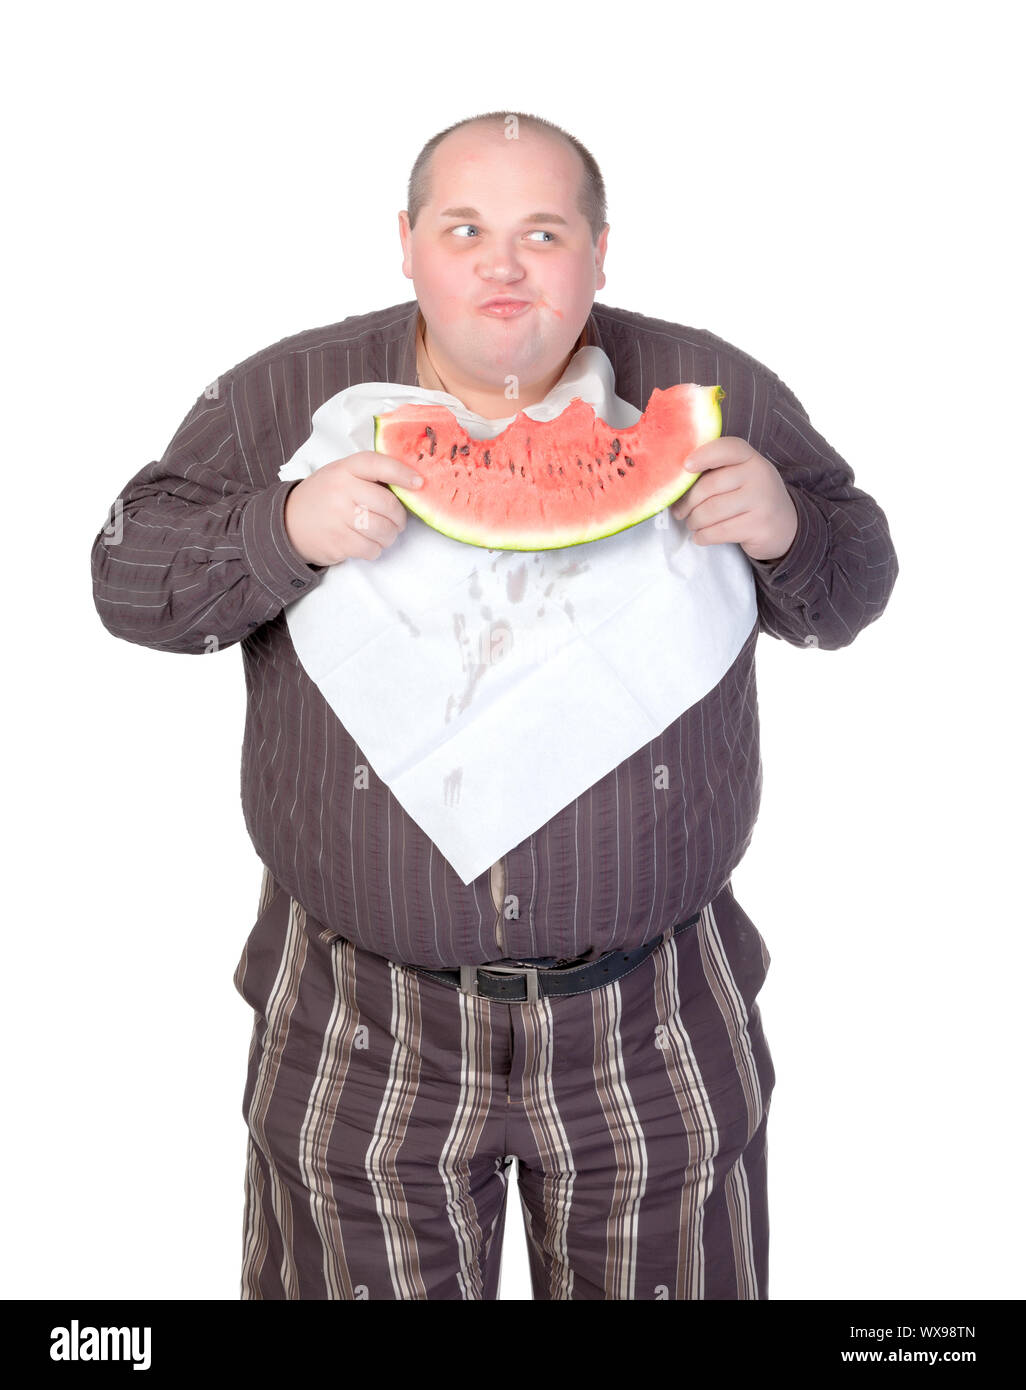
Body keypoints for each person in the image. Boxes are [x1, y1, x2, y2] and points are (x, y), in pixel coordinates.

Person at [90, 110, 899, 1300]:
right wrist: (281, 529)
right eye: (466, 228)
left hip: (660, 1014)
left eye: (544, 231)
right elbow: (125, 582)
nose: (504, 265)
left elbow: (854, 587)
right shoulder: (281, 399)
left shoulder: (712, 388)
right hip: (357, 1021)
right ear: (408, 242)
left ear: (601, 251)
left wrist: (790, 528)